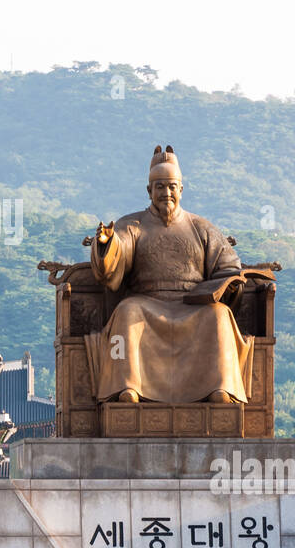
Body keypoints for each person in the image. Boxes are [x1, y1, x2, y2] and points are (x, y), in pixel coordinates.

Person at [85, 145, 253, 405]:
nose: (166, 193)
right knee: (127, 311)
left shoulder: (201, 227)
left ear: (181, 190)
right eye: (160, 187)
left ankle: (220, 387)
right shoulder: (133, 225)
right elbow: (118, 252)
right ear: (149, 191)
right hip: (147, 302)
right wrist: (107, 243)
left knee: (219, 315)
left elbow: (227, 264)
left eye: (172, 186)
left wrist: (229, 283)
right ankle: (128, 387)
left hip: (193, 305)